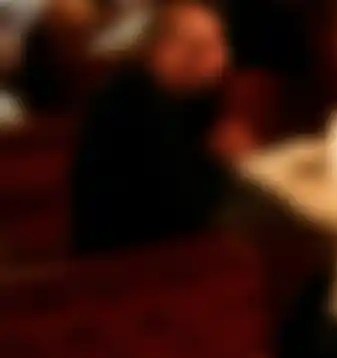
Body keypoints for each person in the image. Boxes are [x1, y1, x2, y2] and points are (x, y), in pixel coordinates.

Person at [71, 0, 252, 255]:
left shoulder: (187, 95)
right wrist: (224, 163)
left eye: (219, 44)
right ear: (163, 50)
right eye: (201, 48)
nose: (221, 59)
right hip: (128, 264)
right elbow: (186, 209)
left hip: (168, 240)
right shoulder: (135, 104)